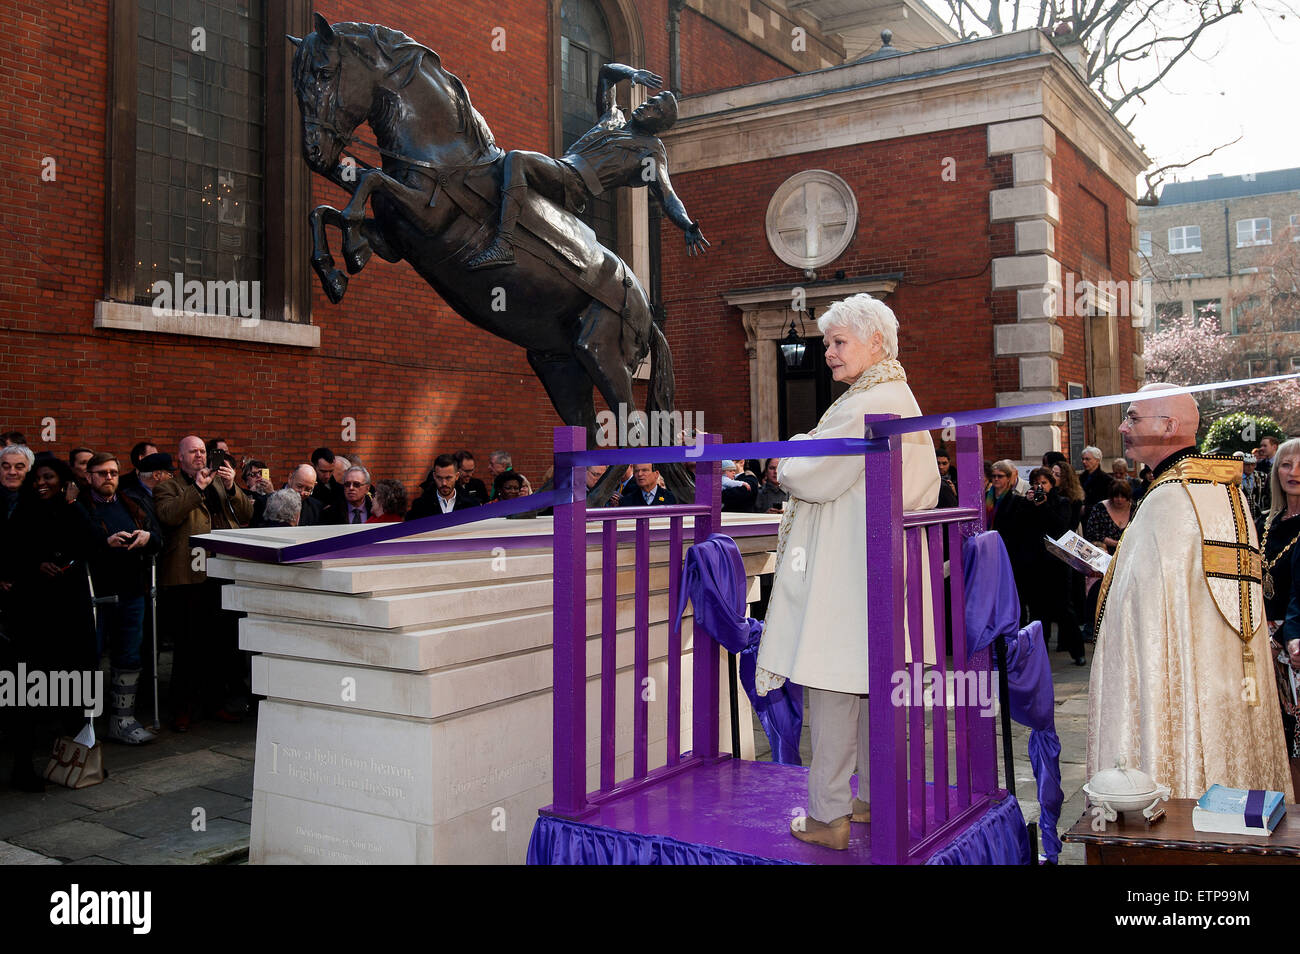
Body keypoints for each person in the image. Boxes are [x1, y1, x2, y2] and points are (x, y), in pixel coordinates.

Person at [755, 294, 939, 850]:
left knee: (834, 688)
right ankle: (871, 799)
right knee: (867, 688)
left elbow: (812, 475)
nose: (828, 353)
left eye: (839, 343)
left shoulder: (868, 401)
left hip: (850, 573)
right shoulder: (890, 393)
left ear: (875, 343)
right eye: (828, 342)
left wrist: (787, 455)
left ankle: (827, 816)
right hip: (873, 567)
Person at [1087, 384, 1293, 800]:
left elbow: (1145, 614)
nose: (1124, 427)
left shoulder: (1172, 497)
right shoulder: (1217, 488)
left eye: (1133, 417)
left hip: (1176, 676)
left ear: (1169, 426)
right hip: (1223, 678)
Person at [466, 64, 707, 270]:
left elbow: (667, 195)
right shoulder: (612, 118)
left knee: (517, 159)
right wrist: (632, 73)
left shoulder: (651, 151)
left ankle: (503, 245)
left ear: (660, 124)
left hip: (574, 184)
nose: (647, 106)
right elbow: (605, 73)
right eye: (650, 101)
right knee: (499, 165)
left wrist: (686, 224)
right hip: (560, 169)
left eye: (656, 109)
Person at [2, 456, 98, 789]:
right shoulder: (23, 513)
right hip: (32, 613)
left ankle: (74, 761)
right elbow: (8, 556)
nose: (41, 483)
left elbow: (93, 544)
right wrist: (35, 565)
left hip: (69, 612)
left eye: (48, 477)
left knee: (72, 684)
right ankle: (23, 767)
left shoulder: (71, 508)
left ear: (63, 481)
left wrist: (73, 505)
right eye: (36, 478)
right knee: (26, 691)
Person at [154, 435, 253, 731]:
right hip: (187, 575)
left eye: (202, 451)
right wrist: (197, 487)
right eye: (193, 452)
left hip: (221, 571)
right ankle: (183, 709)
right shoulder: (168, 487)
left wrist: (231, 485)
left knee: (219, 645)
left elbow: (247, 513)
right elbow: (169, 517)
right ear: (180, 458)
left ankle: (214, 703)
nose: (199, 456)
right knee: (188, 647)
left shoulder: (219, 483)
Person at [79, 452, 163, 744]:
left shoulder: (132, 504)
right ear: (89, 477)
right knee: (91, 657)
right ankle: (83, 722)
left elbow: (158, 537)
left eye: (113, 472)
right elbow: (78, 543)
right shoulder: (82, 507)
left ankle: (122, 719)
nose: (108, 478)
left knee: (129, 656)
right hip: (97, 596)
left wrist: (146, 538)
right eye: (101, 473)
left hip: (132, 591)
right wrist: (105, 543)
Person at [1261, 439, 1300, 766]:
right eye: (1286, 464)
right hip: (1258, 643)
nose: (1294, 472)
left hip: (1292, 645)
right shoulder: (1266, 523)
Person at [408, 455, 479, 519]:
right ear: (434, 476)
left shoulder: (472, 504)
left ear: (457, 476)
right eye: (439, 478)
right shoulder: (420, 506)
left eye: (448, 478)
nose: (444, 483)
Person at [1077, 445, 1108, 521]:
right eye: (1083, 459)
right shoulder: (1081, 478)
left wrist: (1087, 509)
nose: (1084, 462)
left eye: (1087, 459)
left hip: (1098, 518)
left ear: (1097, 460)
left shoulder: (1106, 480)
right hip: (1082, 518)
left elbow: (1106, 502)